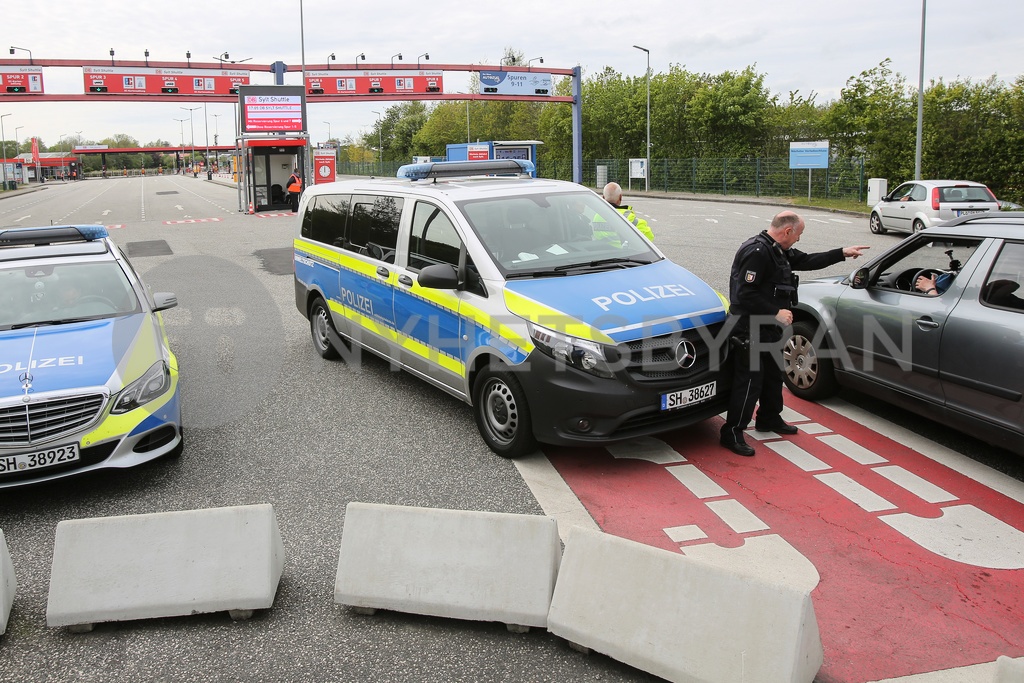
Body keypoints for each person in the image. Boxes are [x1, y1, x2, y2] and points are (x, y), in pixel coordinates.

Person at [719, 211, 870, 456]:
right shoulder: (757, 252)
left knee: (773, 376)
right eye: (799, 234)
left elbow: (808, 260)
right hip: (749, 326)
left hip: (769, 327)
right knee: (749, 382)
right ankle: (732, 431)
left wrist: (842, 253)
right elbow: (745, 294)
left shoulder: (778, 250)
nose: (799, 239)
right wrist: (775, 312)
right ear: (788, 231)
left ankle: (769, 418)